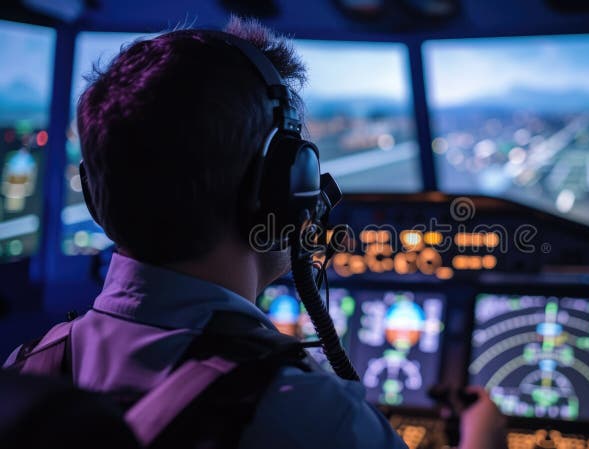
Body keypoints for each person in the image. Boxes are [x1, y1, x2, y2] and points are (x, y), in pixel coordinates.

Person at [3, 16, 506, 449]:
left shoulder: (31, 369)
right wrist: (482, 434)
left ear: (95, 195)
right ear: (282, 189)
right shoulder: (305, 412)